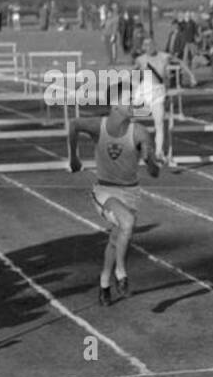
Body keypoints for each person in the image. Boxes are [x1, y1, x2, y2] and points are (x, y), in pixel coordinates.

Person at [67, 102, 161, 306]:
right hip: (104, 191)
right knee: (127, 222)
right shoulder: (97, 126)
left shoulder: (140, 132)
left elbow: (155, 173)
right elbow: (73, 124)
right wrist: (73, 156)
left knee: (115, 239)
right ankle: (121, 273)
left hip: (131, 194)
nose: (133, 104)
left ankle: (104, 285)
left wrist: (150, 160)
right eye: (127, 100)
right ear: (115, 105)